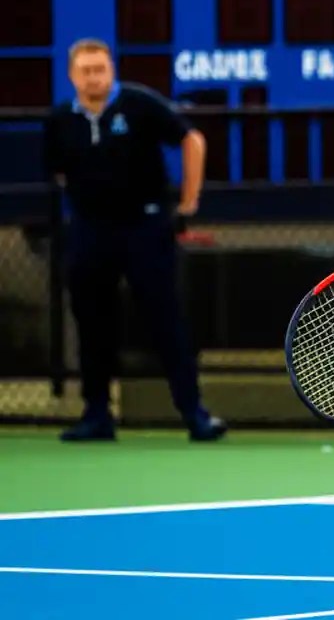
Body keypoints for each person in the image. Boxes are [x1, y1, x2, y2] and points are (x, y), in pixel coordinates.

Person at [44, 39, 226, 442]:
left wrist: (189, 200)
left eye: (101, 69)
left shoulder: (140, 104)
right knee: (92, 324)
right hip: (90, 231)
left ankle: (194, 414)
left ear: (112, 71)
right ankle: (97, 415)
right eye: (86, 70)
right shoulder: (60, 120)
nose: (95, 77)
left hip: (145, 228)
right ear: (73, 76)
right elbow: (57, 171)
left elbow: (192, 138)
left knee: (166, 320)